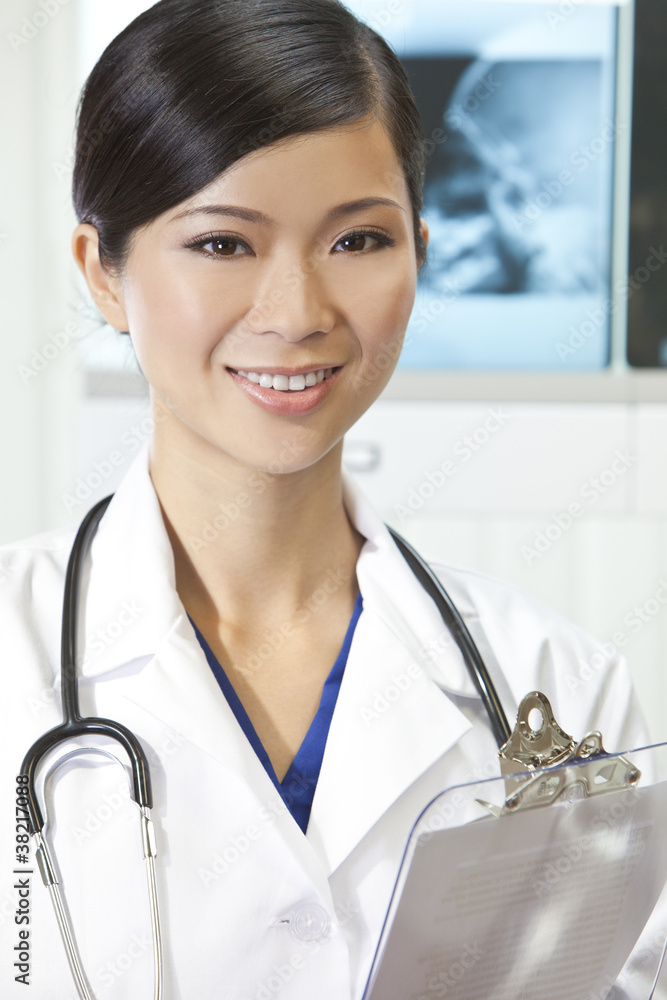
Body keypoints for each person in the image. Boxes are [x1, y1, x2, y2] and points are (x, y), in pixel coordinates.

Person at [0, 1, 653, 997]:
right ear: (104, 274)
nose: (298, 313)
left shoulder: (562, 686)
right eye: (223, 244)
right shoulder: (19, 649)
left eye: (358, 242)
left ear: (420, 251)